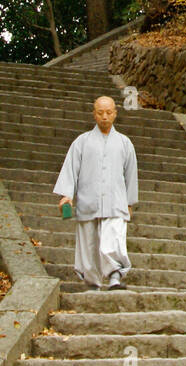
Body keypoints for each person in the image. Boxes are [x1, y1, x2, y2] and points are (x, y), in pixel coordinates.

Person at [54, 95, 138, 290]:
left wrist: (129, 203)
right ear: (94, 114)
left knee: (113, 239)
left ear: (115, 114)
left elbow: (131, 174)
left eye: (109, 112)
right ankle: (92, 282)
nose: (105, 117)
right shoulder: (81, 142)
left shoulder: (125, 143)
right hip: (88, 198)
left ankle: (115, 276)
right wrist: (66, 195)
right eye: (100, 113)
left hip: (116, 200)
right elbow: (71, 169)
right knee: (89, 243)